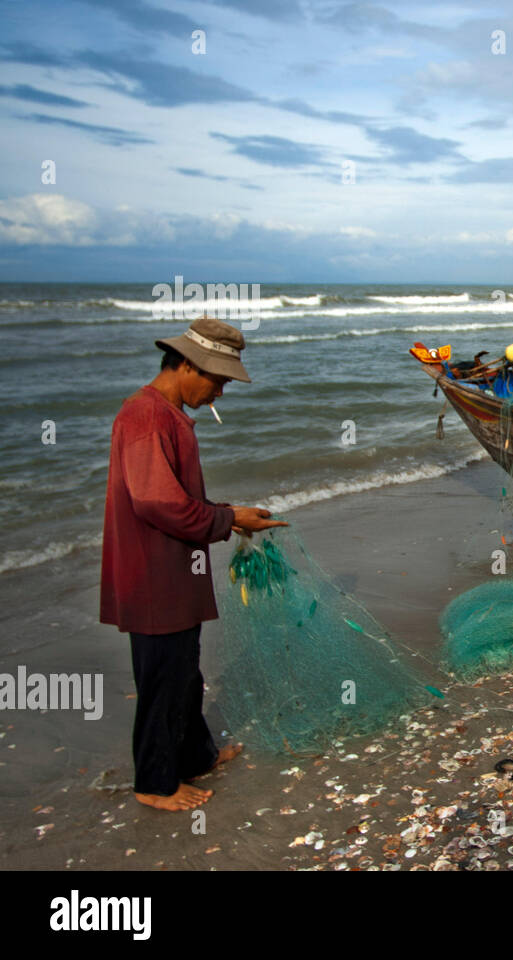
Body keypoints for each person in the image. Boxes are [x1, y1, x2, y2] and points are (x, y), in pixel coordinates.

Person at [100, 316, 287, 812]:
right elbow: (158, 504)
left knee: (185, 671)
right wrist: (227, 518)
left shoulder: (166, 413)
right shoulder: (145, 415)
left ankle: (197, 755)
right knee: (162, 679)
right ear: (186, 365)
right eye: (218, 380)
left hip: (175, 570)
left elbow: (174, 499)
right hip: (151, 575)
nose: (221, 392)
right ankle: (155, 783)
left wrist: (231, 518)